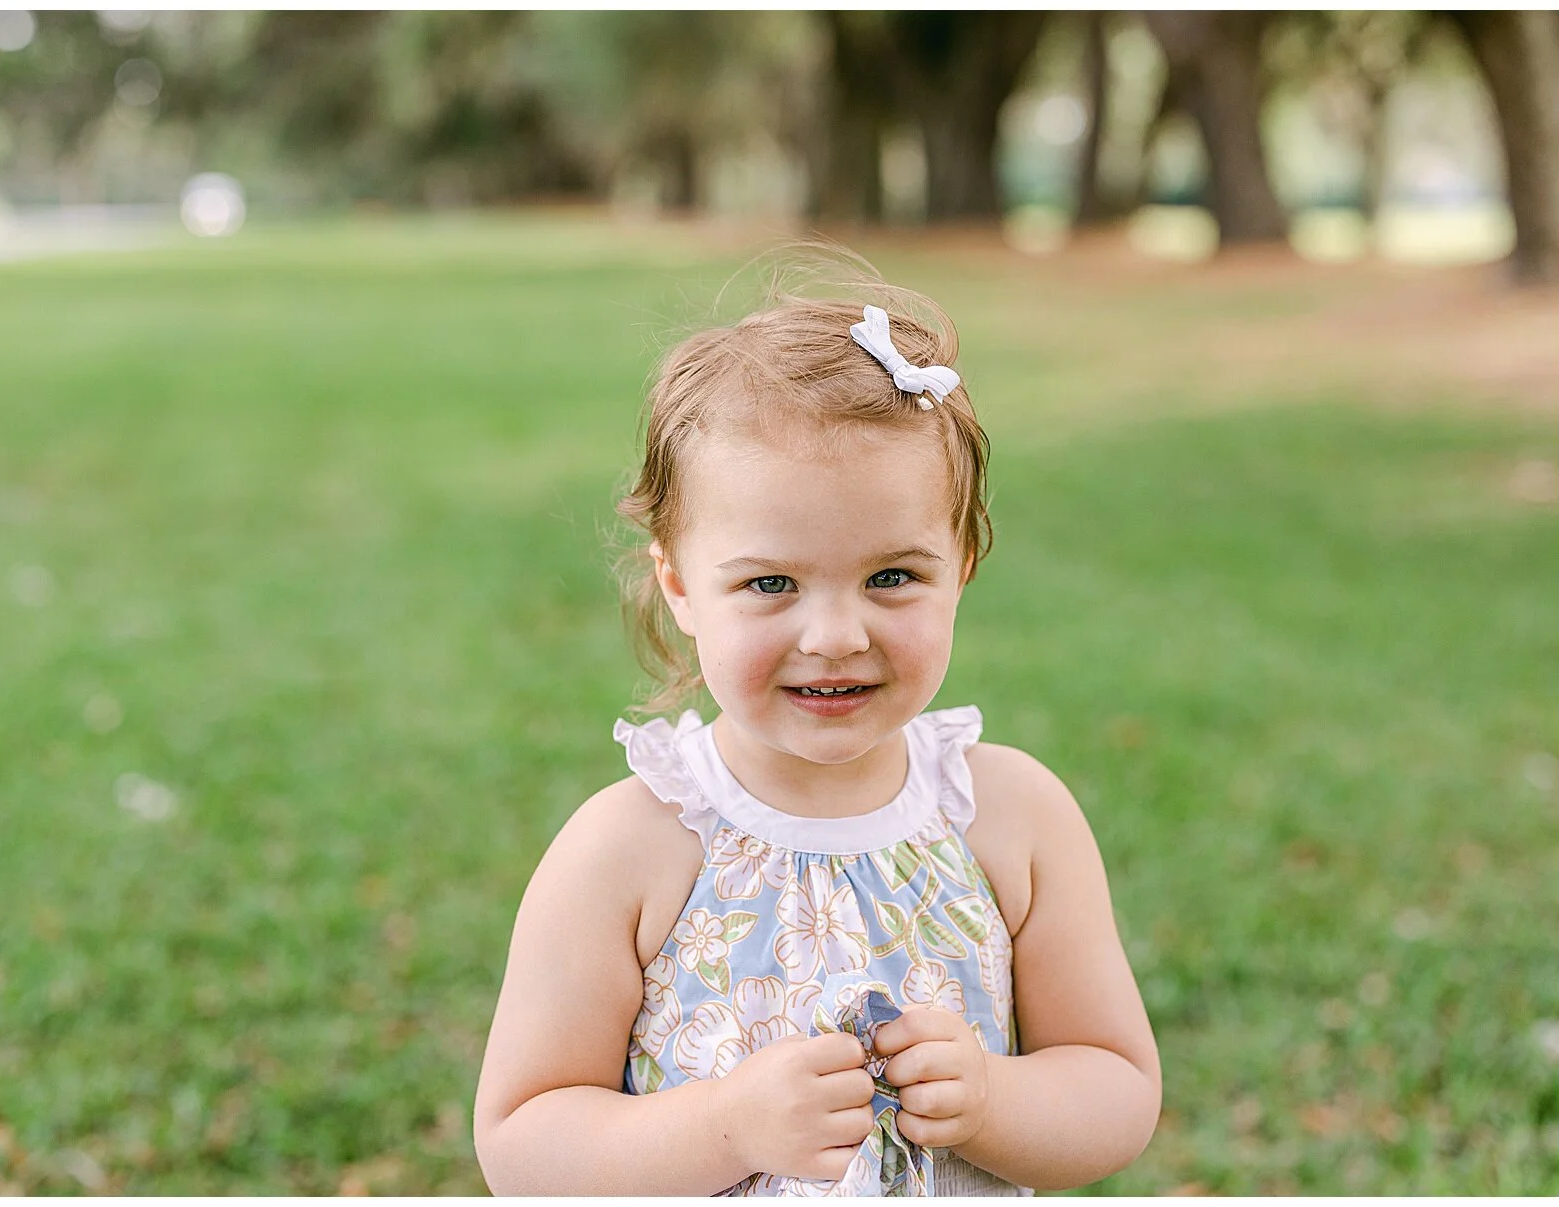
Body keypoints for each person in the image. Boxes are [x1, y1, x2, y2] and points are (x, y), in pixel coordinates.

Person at [473, 249, 1160, 1196]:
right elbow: (522, 1143)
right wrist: (725, 1125)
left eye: (892, 576)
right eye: (770, 583)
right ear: (680, 584)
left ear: (961, 567)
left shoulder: (1011, 817)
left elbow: (1117, 1085)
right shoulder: (630, 848)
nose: (836, 636)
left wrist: (993, 1100)